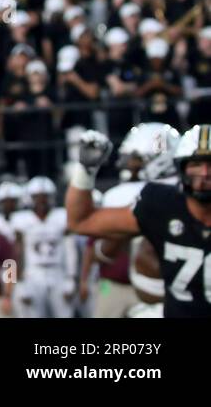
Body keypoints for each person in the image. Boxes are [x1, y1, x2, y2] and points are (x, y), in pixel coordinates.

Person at [66, 125, 211, 317]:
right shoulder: (161, 203)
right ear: (180, 166)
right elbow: (82, 221)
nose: (205, 173)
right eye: (196, 164)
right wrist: (85, 171)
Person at [88, 122, 180, 317]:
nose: (129, 164)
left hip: (151, 284)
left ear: (155, 158)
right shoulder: (185, 193)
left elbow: (102, 250)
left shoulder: (127, 195)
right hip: (176, 289)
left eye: (135, 158)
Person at [11, 176, 76, 317]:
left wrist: (71, 278)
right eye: (37, 197)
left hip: (58, 272)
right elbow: (15, 254)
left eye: (45, 197)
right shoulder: (20, 219)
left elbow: (71, 250)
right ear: (29, 198)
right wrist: (18, 283)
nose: (41, 201)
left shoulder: (61, 216)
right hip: (33, 274)